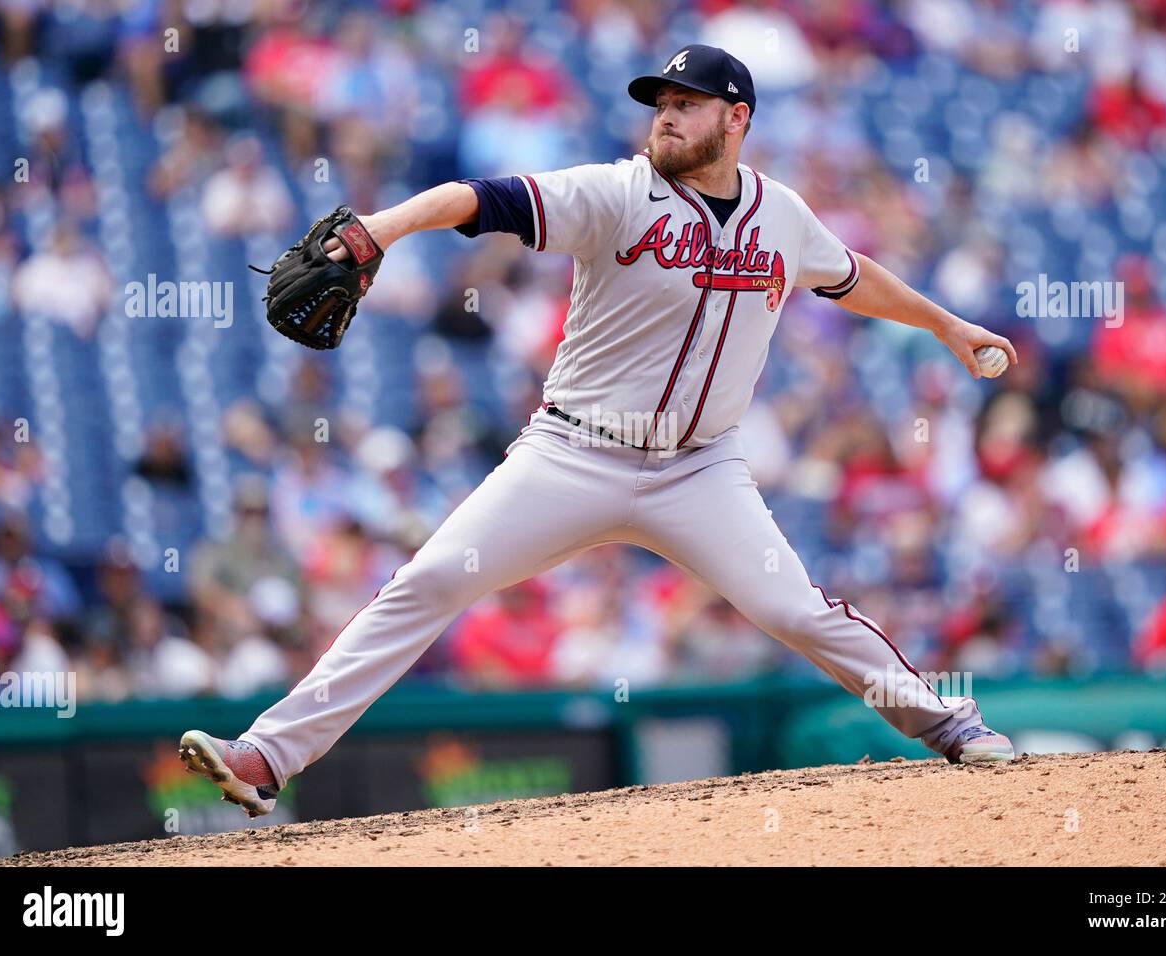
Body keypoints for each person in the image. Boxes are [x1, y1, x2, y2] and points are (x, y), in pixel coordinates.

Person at [179, 44, 1020, 818]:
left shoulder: (780, 214)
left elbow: (848, 276)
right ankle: (266, 756)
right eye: (660, 101)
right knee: (430, 581)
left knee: (795, 611)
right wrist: (380, 230)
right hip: (573, 454)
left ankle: (951, 724)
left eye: (688, 103)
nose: (665, 114)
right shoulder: (616, 194)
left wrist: (947, 325)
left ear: (737, 120)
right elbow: (480, 200)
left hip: (701, 471)